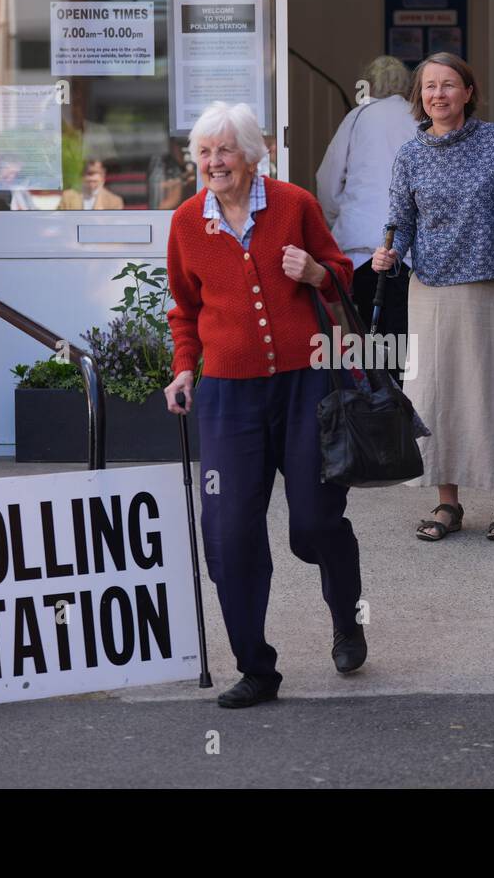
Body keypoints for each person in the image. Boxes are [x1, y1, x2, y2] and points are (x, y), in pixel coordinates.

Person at [163, 101, 363, 709]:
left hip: (305, 386)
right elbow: (184, 311)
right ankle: (255, 667)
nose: (213, 162)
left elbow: (342, 273)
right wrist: (183, 369)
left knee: (314, 522)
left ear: (251, 155)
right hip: (228, 397)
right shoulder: (186, 223)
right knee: (227, 535)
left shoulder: (294, 204)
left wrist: (317, 274)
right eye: (204, 152)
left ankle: (346, 618)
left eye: (225, 150)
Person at [371, 52, 494, 543]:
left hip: (489, 284)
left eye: (448, 85)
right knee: (437, 395)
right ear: (419, 98)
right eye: (429, 87)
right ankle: (448, 503)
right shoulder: (410, 154)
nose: (438, 95)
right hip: (431, 289)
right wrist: (389, 253)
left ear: (468, 91)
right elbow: (401, 220)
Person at [316, 56, 416, 381]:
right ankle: (407, 410)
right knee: (406, 340)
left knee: (368, 341)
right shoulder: (422, 118)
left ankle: (377, 408)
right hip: (412, 251)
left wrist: (338, 219)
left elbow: (327, 181)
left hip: (361, 249)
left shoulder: (358, 117)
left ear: (368, 86)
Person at [58, 158, 124, 210]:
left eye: (96, 174)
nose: (91, 179)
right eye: (88, 174)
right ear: (82, 177)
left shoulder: (115, 201)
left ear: (103, 178)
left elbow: (111, 225)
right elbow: (62, 221)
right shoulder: (67, 197)